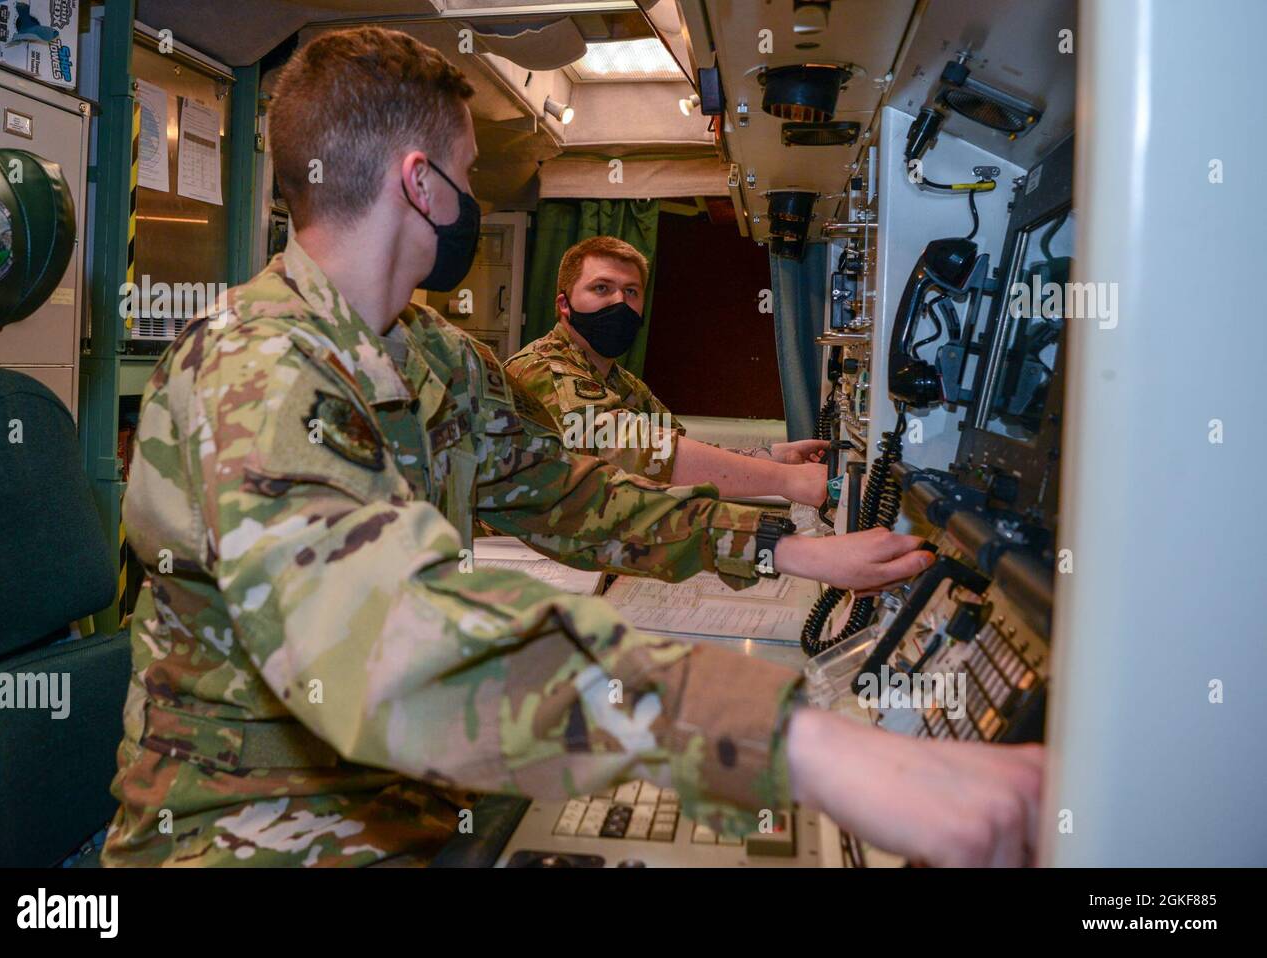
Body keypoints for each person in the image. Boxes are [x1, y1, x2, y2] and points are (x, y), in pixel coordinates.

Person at [101, 26, 1041, 868]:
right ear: (422, 184)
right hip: (250, 836)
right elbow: (390, 645)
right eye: (467, 177)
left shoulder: (436, 355)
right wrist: (802, 744)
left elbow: (563, 493)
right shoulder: (255, 369)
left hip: (414, 801)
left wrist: (780, 543)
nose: (471, 200)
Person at [506, 236, 831, 505]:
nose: (619, 303)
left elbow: (679, 456)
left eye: (631, 291)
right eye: (602, 288)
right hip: (515, 546)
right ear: (564, 304)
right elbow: (628, 449)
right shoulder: (543, 367)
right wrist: (785, 480)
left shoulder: (620, 382)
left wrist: (773, 457)